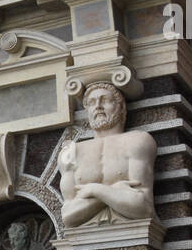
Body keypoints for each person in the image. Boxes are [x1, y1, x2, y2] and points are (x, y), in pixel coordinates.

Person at [59, 81, 156, 228]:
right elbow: (68, 217)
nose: (98, 106)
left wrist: (92, 190)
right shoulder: (71, 152)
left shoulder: (137, 141)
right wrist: (112, 191)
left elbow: (143, 207)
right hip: (86, 238)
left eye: (104, 100)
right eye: (91, 103)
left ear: (121, 107)